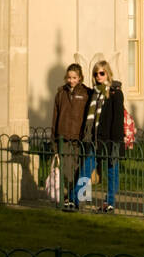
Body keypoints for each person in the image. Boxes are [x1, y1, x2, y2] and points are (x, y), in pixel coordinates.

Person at [80, 59, 125, 212]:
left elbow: (117, 120)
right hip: (95, 138)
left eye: (101, 73)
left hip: (111, 140)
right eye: (96, 73)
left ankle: (109, 203)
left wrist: (116, 142)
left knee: (112, 171)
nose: (98, 76)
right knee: (87, 167)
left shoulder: (115, 93)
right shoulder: (94, 93)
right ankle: (78, 198)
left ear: (108, 74)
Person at [51, 63, 92, 211]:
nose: (71, 80)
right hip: (64, 138)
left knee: (81, 171)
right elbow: (55, 118)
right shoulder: (61, 93)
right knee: (66, 172)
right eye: (69, 77)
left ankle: (81, 202)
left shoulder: (87, 93)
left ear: (80, 78)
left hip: (80, 139)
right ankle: (67, 198)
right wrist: (54, 141)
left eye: (74, 77)